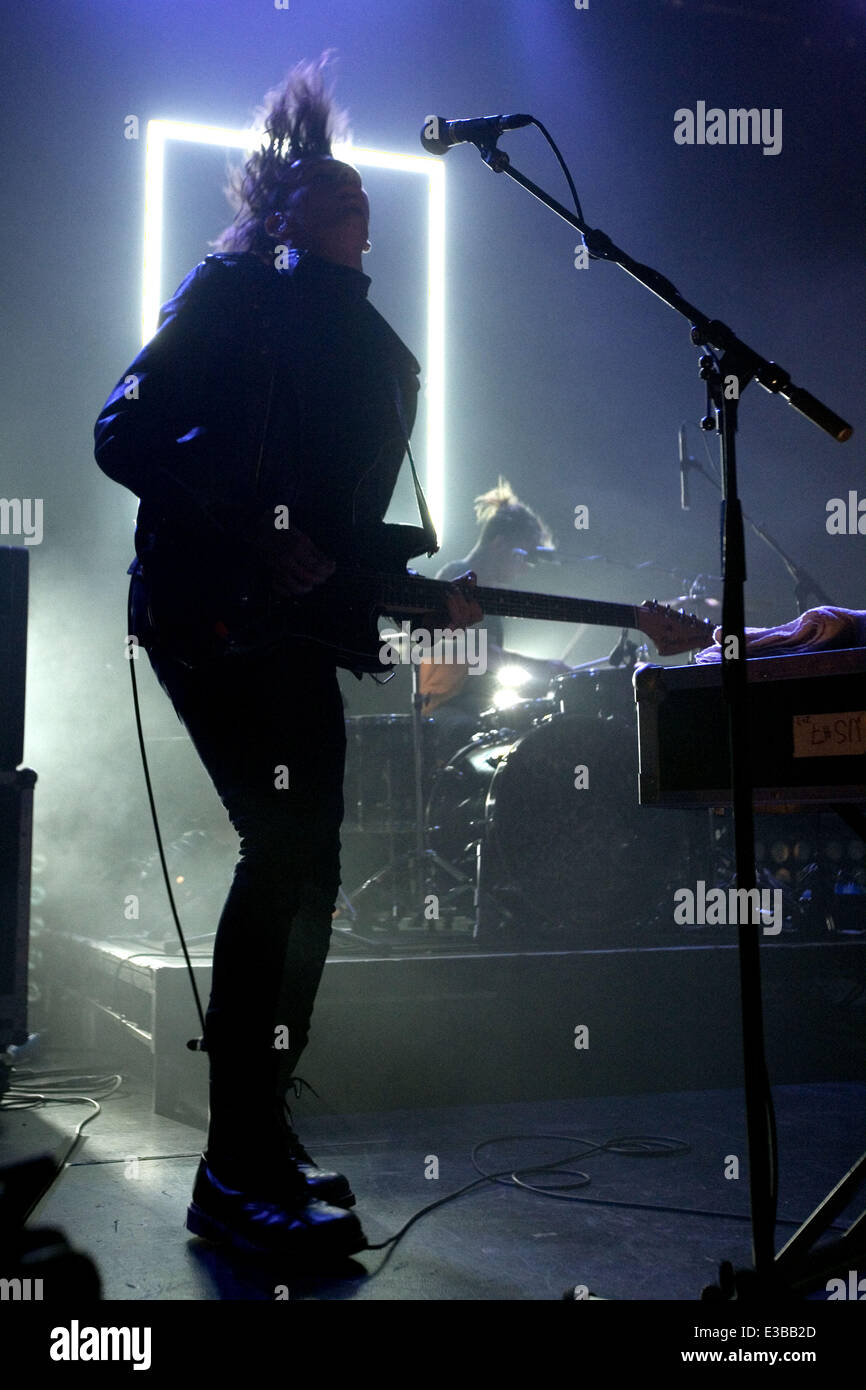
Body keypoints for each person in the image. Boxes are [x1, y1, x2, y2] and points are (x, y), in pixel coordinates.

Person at [93, 56, 480, 1260]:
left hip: (295, 631)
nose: (358, 204)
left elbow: (333, 530)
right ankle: (235, 1162)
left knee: (309, 862)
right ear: (278, 215)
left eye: (365, 194)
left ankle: (257, 1134)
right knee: (287, 849)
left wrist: (417, 591)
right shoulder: (230, 294)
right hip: (211, 619)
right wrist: (264, 532)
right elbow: (125, 431)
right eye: (331, 193)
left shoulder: (362, 339)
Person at [420, 479, 571, 756]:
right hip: (445, 710)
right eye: (525, 557)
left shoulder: (490, 594)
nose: (526, 568)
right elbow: (476, 653)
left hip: (479, 704)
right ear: (500, 545)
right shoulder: (456, 579)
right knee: (481, 737)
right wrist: (543, 667)